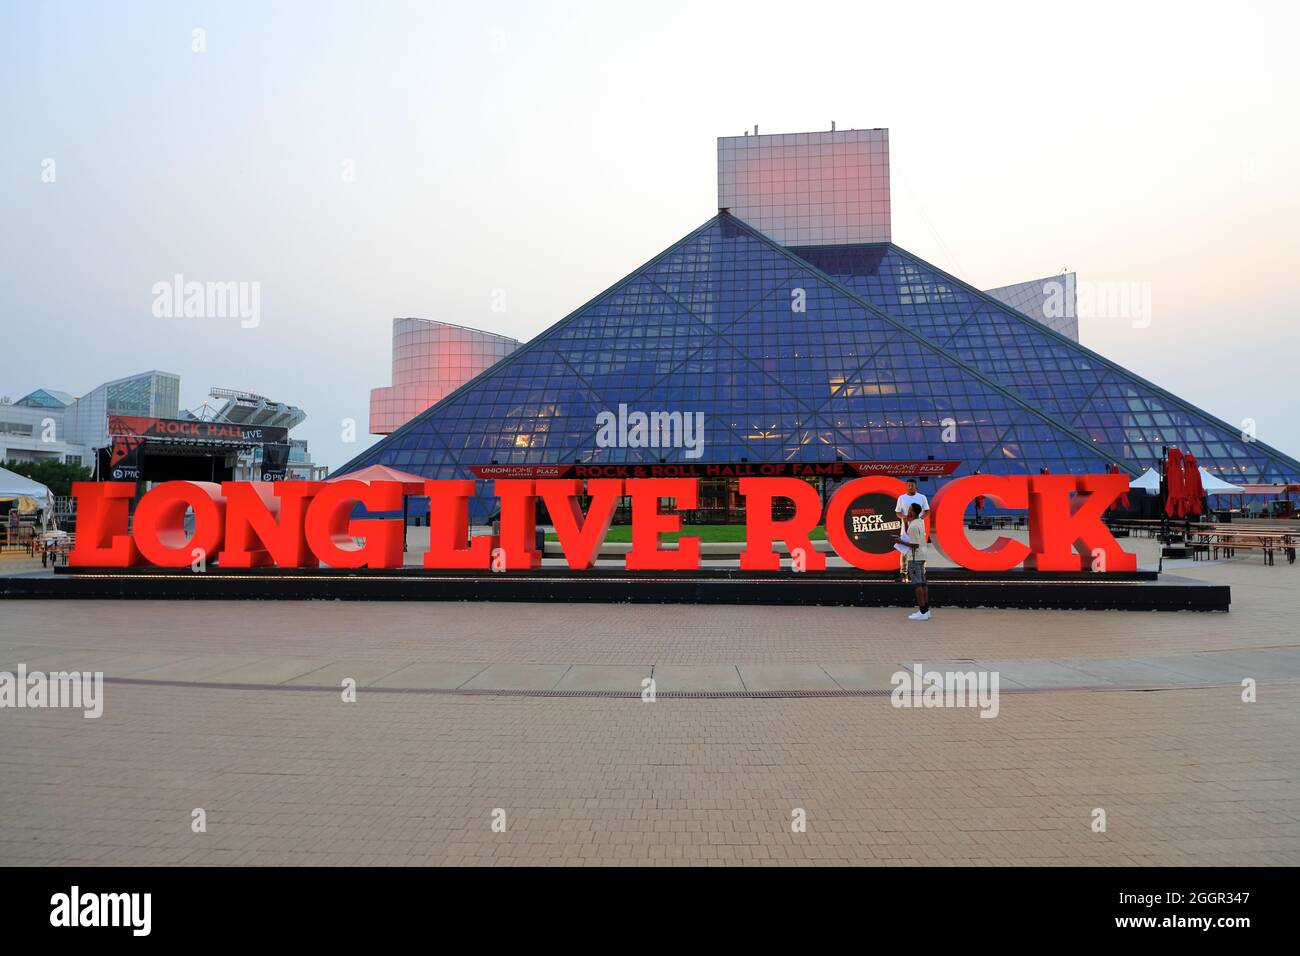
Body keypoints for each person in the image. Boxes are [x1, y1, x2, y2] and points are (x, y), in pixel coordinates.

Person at [894, 479, 930, 582]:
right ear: (907, 486)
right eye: (909, 485)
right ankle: (903, 573)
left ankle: (921, 572)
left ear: (916, 486)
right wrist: (904, 517)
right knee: (904, 550)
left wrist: (920, 518)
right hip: (905, 527)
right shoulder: (902, 498)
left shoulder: (922, 497)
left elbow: (927, 511)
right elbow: (897, 512)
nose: (910, 487)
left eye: (912, 485)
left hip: (918, 527)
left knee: (920, 549)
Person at [902, 503, 931, 620]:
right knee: (923, 583)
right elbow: (910, 533)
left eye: (909, 510)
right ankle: (926, 610)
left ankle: (922, 612)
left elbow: (914, 544)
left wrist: (900, 541)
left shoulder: (914, 526)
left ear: (913, 512)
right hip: (922, 556)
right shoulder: (919, 522)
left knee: (917, 585)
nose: (908, 512)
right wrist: (905, 522)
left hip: (914, 558)